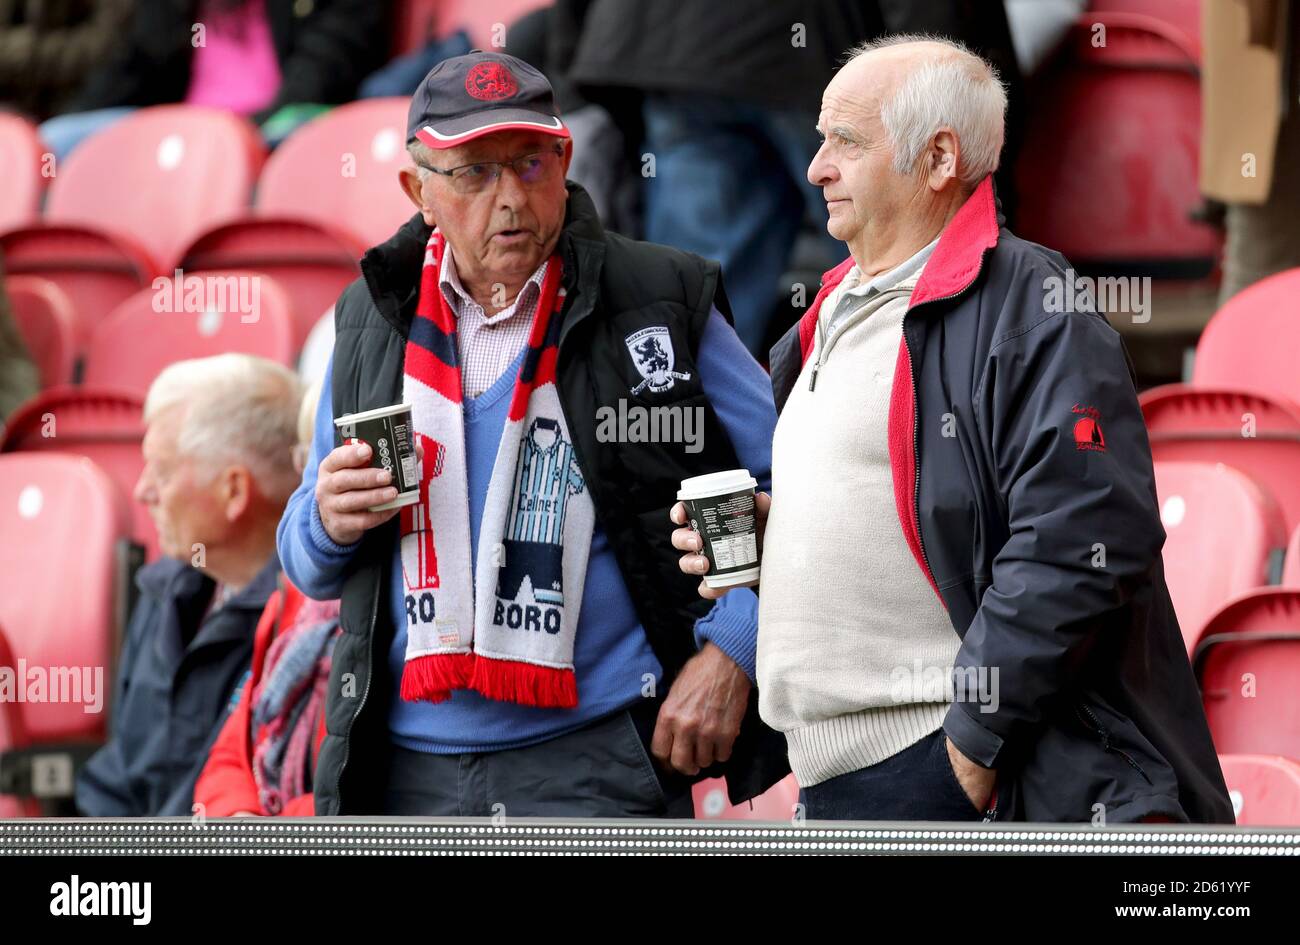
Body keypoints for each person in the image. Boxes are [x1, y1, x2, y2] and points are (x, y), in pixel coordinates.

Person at [672, 36, 1234, 824]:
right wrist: (783, 541)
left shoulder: (1033, 305)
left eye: (847, 142)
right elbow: (912, 507)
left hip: (956, 774)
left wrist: (970, 749)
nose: (815, 167)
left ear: (939, 159)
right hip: (832, 785)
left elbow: (1084, 536)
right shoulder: (823, 317)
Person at [278, 50, 787, 818]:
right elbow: (306, 559)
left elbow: (797, 493)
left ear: (565, 160)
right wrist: (326, 520)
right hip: (405, 772)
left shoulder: (660, 298)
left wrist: (733, 648)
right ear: (419, 192)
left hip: (597, 763)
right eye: (475, 174)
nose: (510, 198)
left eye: (529, 164)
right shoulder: (370, 318)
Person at [76, 354, 302, 816]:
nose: (142, 491)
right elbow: (118, 778)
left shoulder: (307, 620)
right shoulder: (165, 592)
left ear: (234, 491)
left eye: (160, 471)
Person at [194, 378, 339, 817]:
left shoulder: (415, 609)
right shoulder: (289, 599)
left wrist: (275, 831)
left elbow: (394, 790)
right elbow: (228, 756)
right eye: (306, 460)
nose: (312, 479)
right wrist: (238, 815)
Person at [41, 0, 391, 159]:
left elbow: (323, 69)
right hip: (179, 127)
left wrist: (226, 136)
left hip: (276, 125)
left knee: (286, 133)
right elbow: (134, 65)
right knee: (55, 139)